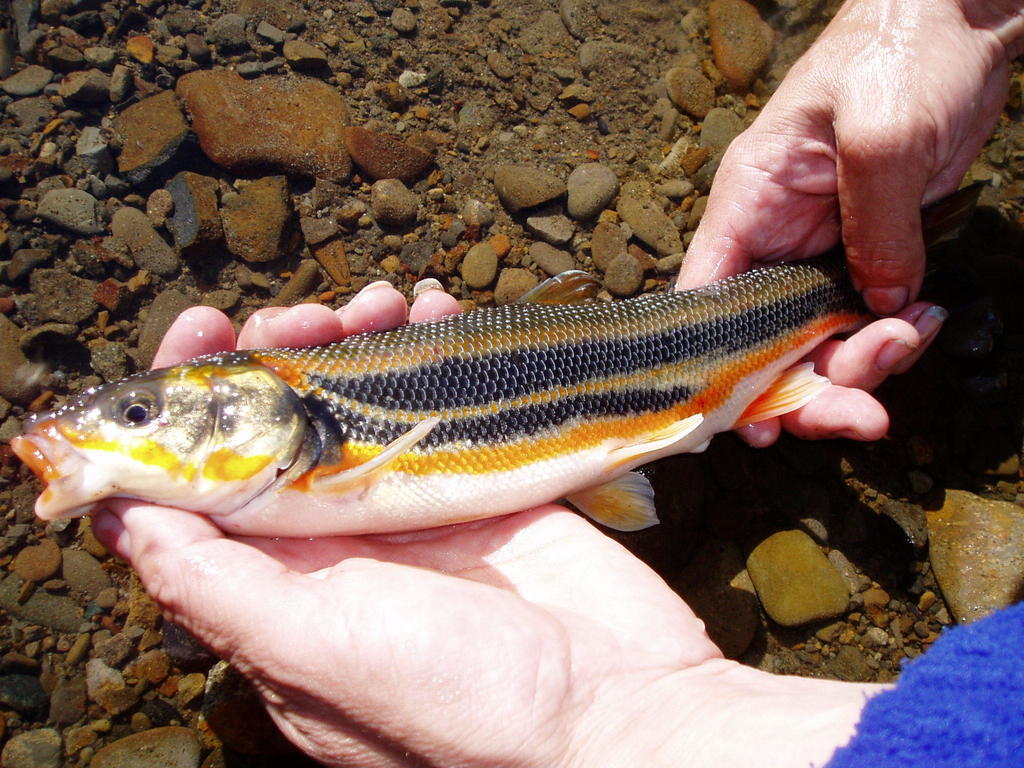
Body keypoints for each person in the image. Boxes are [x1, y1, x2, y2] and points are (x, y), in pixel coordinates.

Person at [91, 0, 1024, 765]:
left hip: (707, 362)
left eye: (138, 414)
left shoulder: (299, 456)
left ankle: (910, 270)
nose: (128, 429)